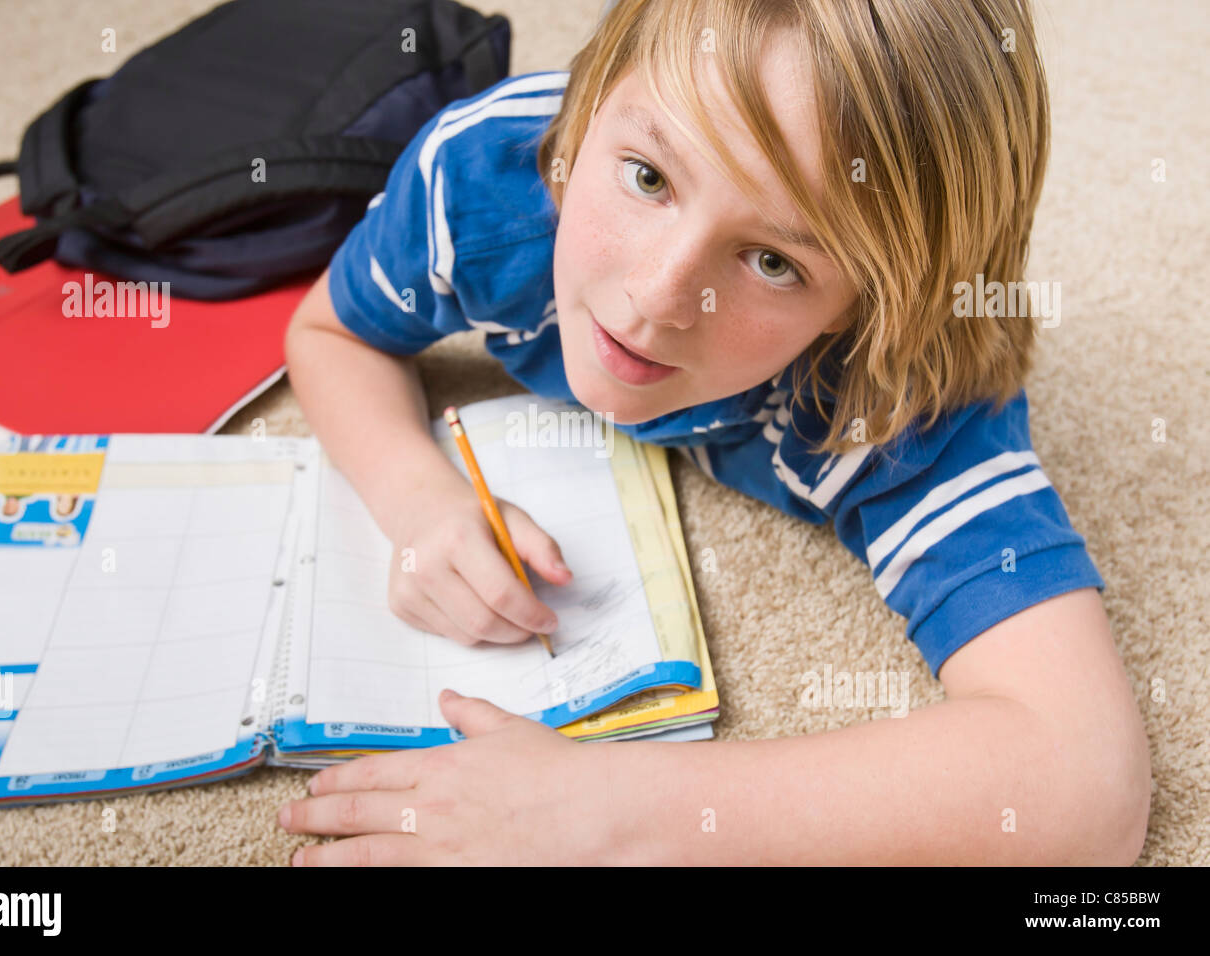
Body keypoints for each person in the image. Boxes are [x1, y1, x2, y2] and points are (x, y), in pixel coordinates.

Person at [278, 0, 1150, 865]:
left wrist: (611, 814)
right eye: (648, 177)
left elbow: (1083, 779)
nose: (657, 299)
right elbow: (330, 332)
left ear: (880, 306)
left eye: (774, 262)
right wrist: (418, 500)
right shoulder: (478, 180)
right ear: (587, 108)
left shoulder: (896, 394)